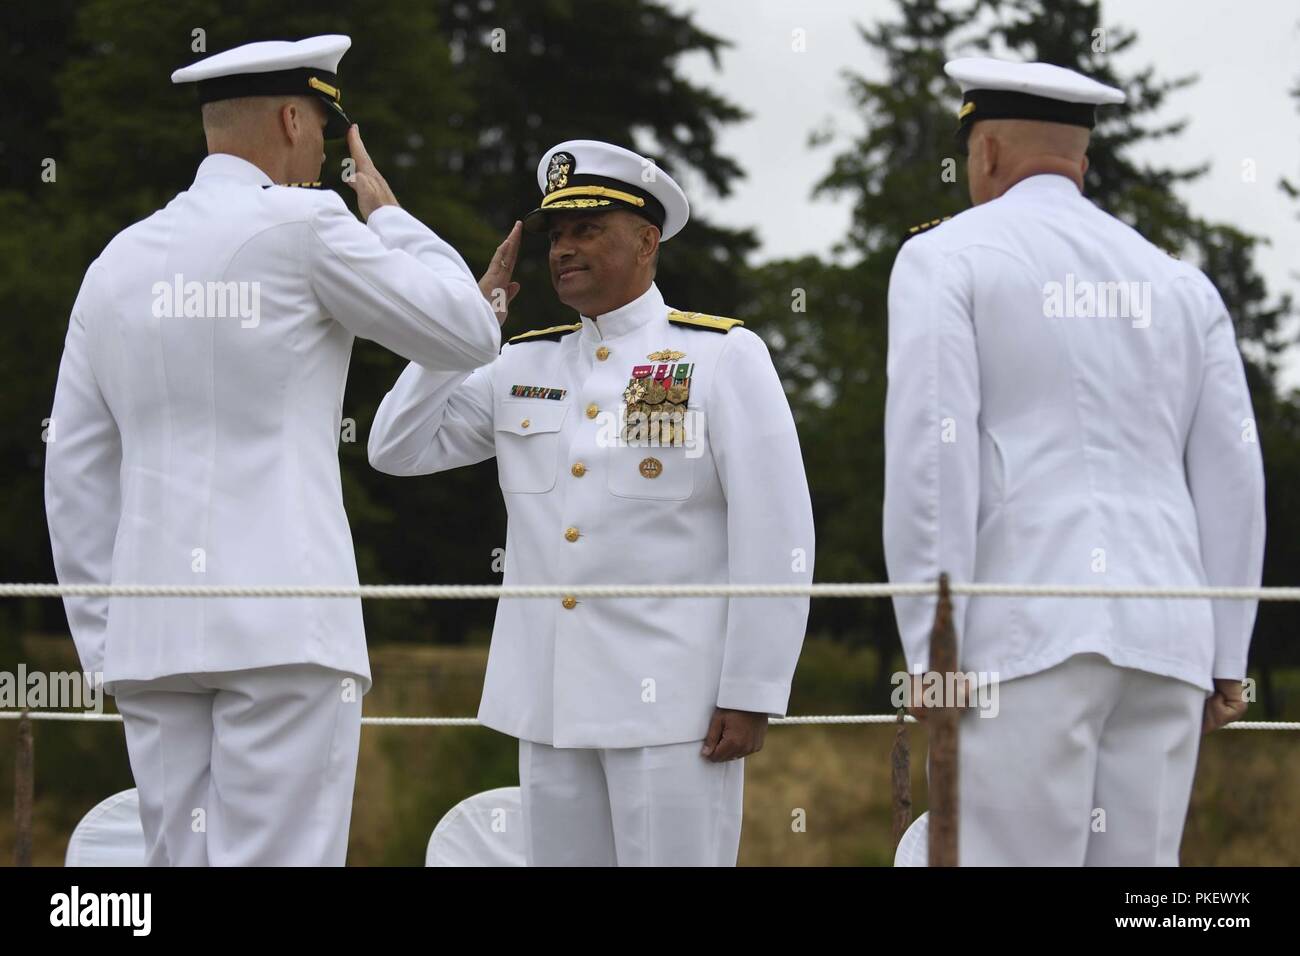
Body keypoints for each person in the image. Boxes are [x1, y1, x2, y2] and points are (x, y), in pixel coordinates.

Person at [44, 34, 501, 866]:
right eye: (324, 130)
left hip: (152, 640)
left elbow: (73, 470)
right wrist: (391, 216)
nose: (326, 153)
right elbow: (467, 332)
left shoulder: (115, 262)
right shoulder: (307, 224)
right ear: (293, 118)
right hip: (285, 627)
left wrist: (109, 643)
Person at [368, 139, 815, 866]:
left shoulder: (721, 357)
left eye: (588, 230)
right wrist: (462, 328)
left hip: (676, 707)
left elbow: (778, 531)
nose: (565, 249)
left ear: (646, 240)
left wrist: (753, 687)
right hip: (549, 705)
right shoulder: (522, 362)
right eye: (558, 234)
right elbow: (396, 447)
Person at [883, 57, 1266, 866]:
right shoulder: (1181, 283)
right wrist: (1227, 654)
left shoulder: (947, 257)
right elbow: (1233, 475)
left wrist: (931, 653)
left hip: (1023, 637)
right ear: (1080, 161)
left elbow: (932, 463)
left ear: (983, 154)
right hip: (1169, 642)